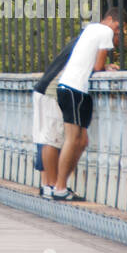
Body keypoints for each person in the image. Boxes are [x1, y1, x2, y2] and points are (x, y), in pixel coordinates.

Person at [52, 6, 125, 202]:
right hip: (74, 88)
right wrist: (106, 67)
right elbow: (98, 66)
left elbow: (91, 63)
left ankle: (61, 185)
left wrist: (103, 66)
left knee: (82, 140)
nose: (117, 32)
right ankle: (59, 188)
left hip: (70, 87)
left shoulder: (90, 29)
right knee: (72, 139)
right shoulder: (106, 31)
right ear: (110, 19)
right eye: (118, 27)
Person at [32, 37, 76, 199]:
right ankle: (52, 187)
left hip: (44, 89)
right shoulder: (89, 42)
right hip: (51, 92)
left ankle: (47, 186)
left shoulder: (76, 42)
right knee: (51, 140)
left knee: (45, 138)